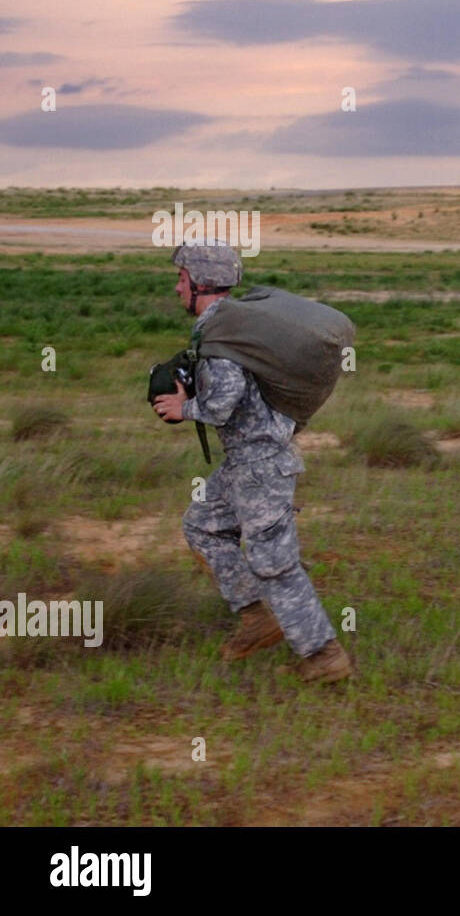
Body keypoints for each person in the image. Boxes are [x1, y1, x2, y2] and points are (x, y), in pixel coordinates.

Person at [152, 244, 352, 683]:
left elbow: (224, 403)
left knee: (273, 562)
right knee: (202, 525)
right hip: (244, 465)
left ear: (200, 284)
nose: (176, 287)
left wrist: (180, 409)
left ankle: (324, 654)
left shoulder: (224, 338)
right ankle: (256, 616)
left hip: (260, 468)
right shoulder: (229, 330)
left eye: (182, 281)